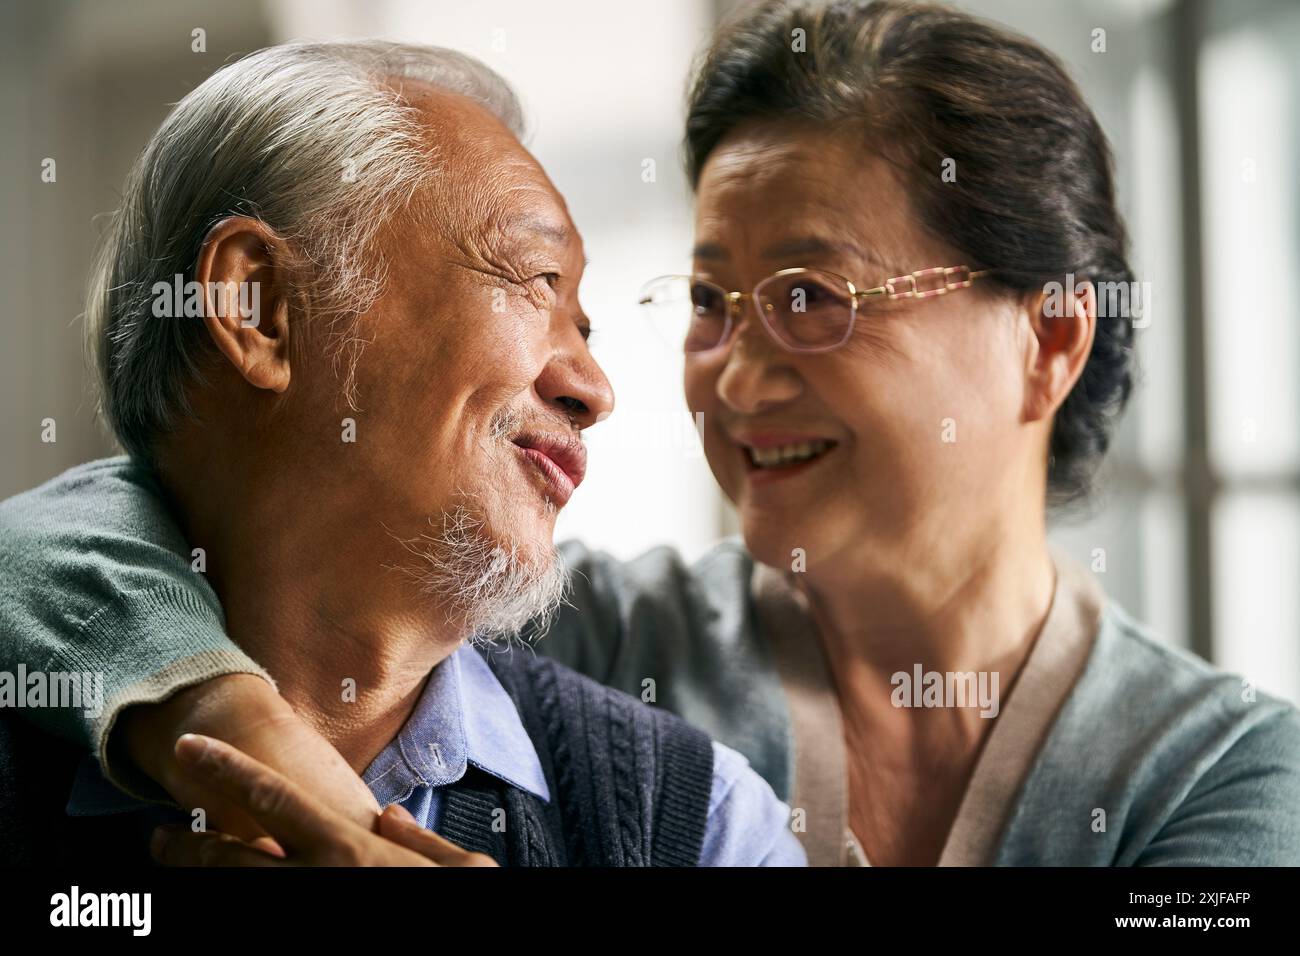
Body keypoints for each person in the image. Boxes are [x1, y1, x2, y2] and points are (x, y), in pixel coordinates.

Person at [5, 0, 1299, 867]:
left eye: (808, 300)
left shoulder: (1219, 773)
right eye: (705, 304)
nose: (724, 381)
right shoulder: (592, 637)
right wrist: (255, 746)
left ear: (1051, 342)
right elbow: (93, 525)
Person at [0, 38, 804, 867]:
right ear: (261, 306)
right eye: (534, 282)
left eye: (588, 326)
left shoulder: (706, 822)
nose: (593, 390)